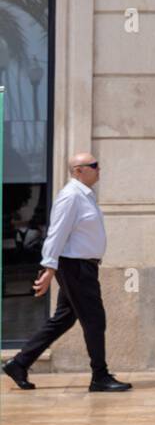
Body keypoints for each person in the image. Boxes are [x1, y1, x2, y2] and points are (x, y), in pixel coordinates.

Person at [2, 154, 131, 393]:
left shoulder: (85, 196)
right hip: (75, 266)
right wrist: (49, 268)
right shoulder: (71, 196)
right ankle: (99, 376)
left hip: (83, 266)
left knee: (64, 318)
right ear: (79, 170)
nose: (98, 168)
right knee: (94, 319)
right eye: (93, 165)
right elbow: (56, 233)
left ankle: (19, 363)